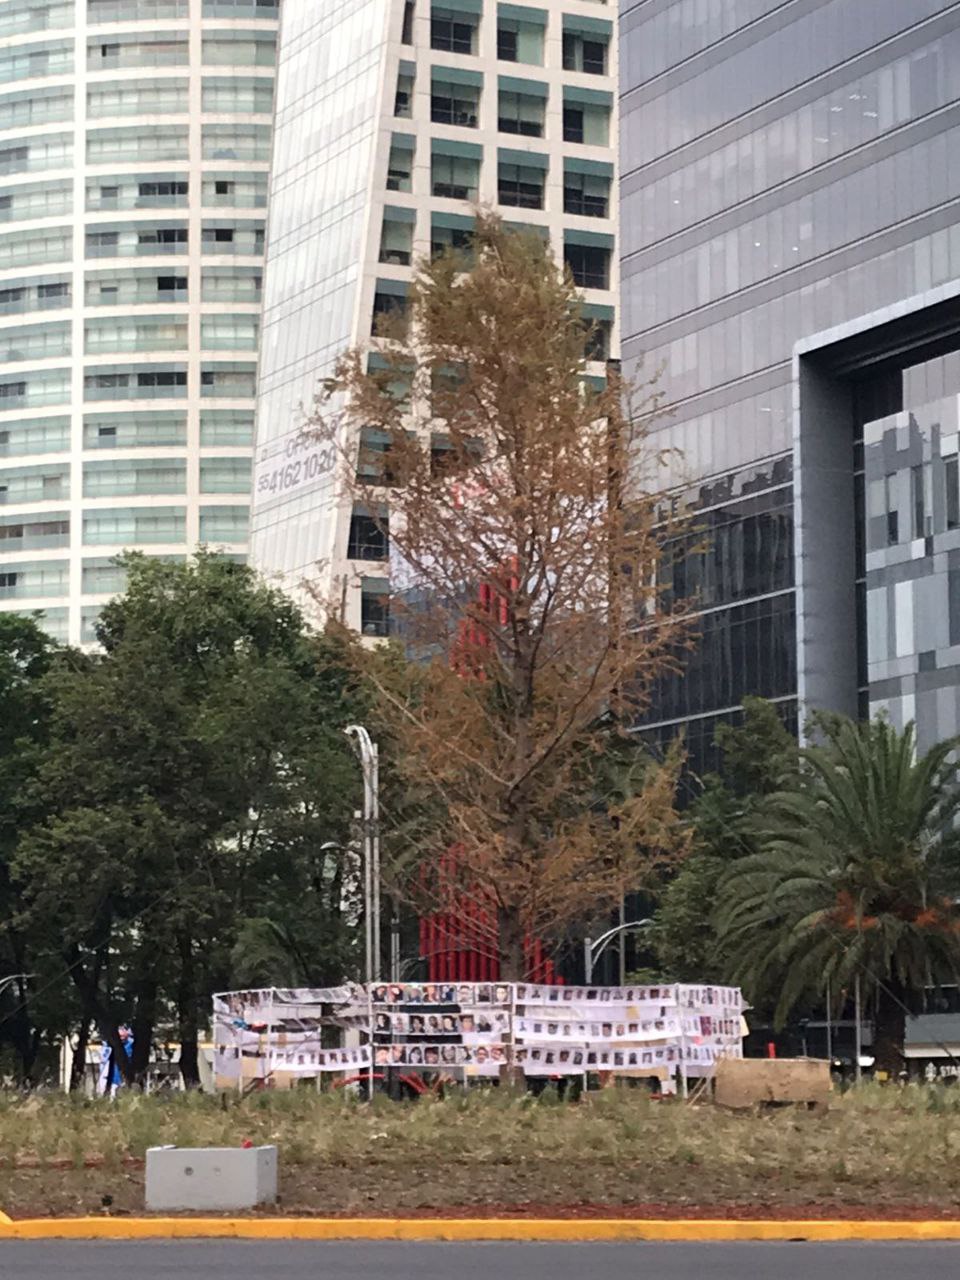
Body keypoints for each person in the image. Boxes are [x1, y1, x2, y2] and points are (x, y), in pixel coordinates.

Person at [98, 1024, 134, 1098]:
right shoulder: (107, 1046)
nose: (121, 1032)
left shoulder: (131, 1045)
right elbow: (103, 1061)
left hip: (122, 1079)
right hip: (109, 1079)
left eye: (124, 1029)